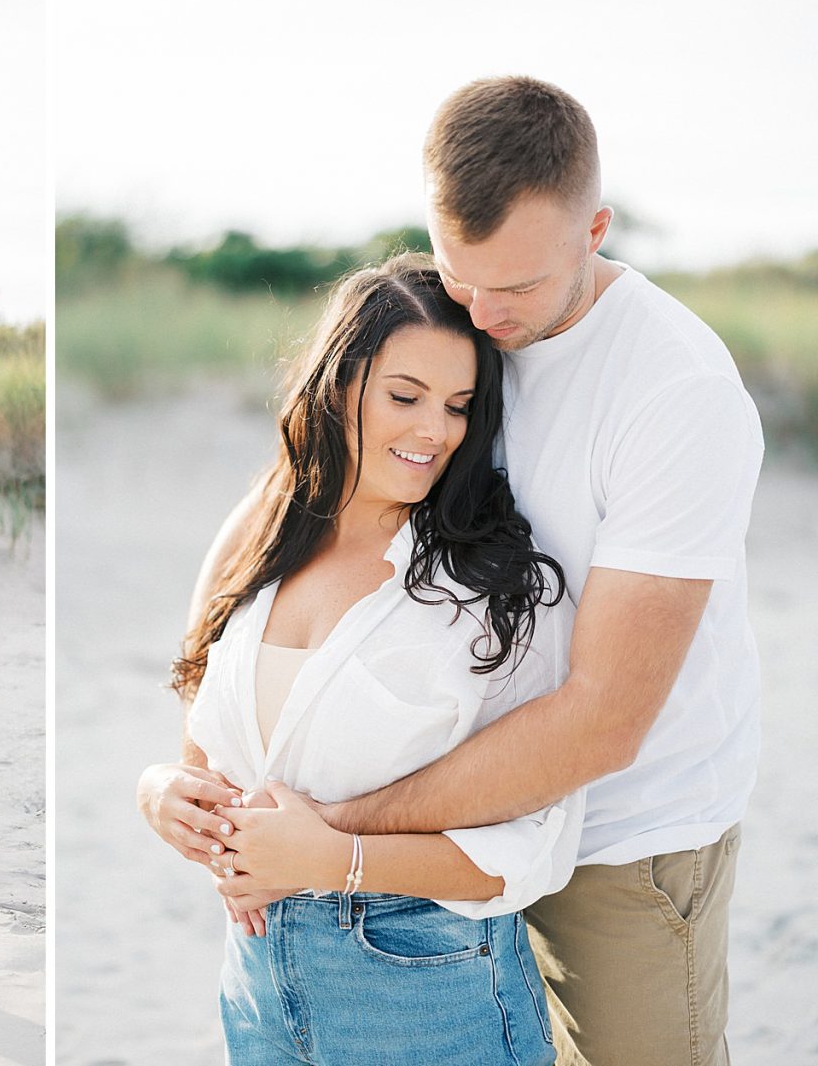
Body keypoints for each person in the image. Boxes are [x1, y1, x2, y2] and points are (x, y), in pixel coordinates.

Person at [159, 77, 764, 1066]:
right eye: (459, 271)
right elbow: (285, 492)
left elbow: (606, 716)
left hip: (624, 833)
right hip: (439, 834)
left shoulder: (674, 391)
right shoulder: (452, 322)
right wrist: (199, 769)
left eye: (515, 287)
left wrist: (332, 832)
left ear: (596, 229)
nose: (481, 311)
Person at [141, 254, 581, 1064]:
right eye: (404, 396)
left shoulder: (499, 588)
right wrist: (162, 792)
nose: (434, 430)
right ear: (338, 383)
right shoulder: (259, 537)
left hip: (431, 988)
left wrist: (336, 857)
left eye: (458, 406)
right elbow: (201, 739)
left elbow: (534, 847)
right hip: (257, 982)